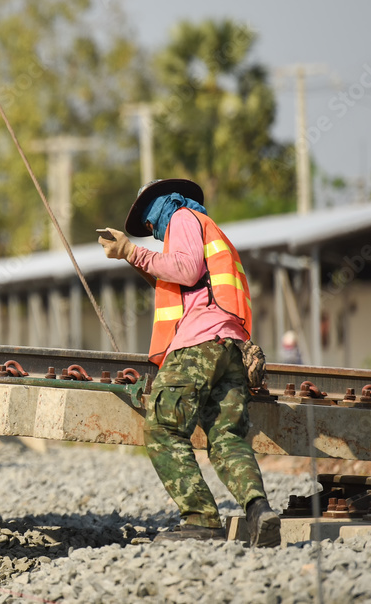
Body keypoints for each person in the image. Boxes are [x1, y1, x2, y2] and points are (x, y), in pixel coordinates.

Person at [98, 178, 280, 547]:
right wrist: (135, 258)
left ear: (158, 208)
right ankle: (259, 512)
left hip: (198, 343)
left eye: (150, 223)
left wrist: (131, 251)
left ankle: (201, 520)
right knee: (226, 437)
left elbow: (185, 271)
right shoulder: (209, 228)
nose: (151, 230)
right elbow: (193, 284)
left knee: (163, 428)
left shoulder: (180, 218)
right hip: (230, 346)